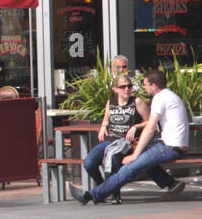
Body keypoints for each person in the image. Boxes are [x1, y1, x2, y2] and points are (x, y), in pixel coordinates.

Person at [70, 69, 187, 204]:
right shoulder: (170, 96)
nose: (143, 88)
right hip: (168, 144)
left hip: (169, 147)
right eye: (123, 86)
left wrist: (134, 155)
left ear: (154, 85)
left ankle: (91, 196)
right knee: (139, 161)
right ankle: (171, 183)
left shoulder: (159, 99)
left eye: (145, 84)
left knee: (129, 168)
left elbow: (149, 129)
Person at [80, 73, 149, 201]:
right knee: (89, 163)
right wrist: (103, 127)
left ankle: (114, 193)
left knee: (114, 159)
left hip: (126, 142)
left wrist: (135, 127)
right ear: (116, 89)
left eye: (129, 86)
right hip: (110, 140)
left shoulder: (137, 101)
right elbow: (106, 120)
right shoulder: (111, 102)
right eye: (123, 87)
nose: (127, 89)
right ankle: (103, 187)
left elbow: (149, 121)